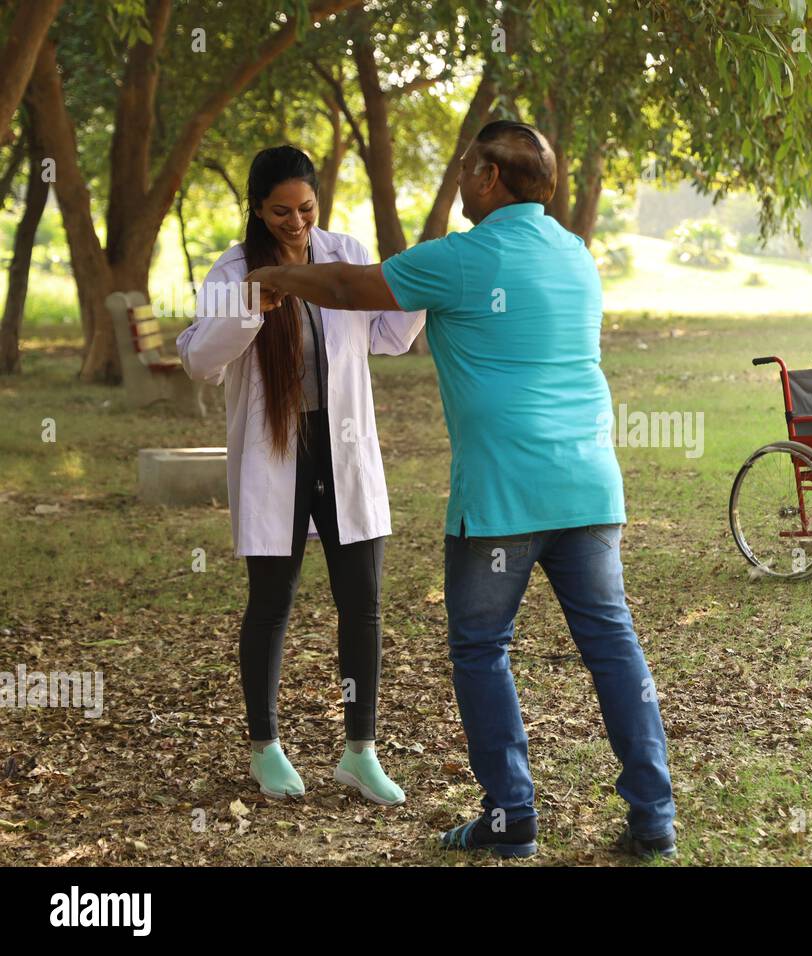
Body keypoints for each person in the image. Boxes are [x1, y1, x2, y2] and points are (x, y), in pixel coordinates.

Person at [246, 121, 677, 859]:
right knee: (612, 642)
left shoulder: (466, 256)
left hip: (504, 496)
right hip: (588, 486)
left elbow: (350, 285)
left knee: (481, 648)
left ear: (488, 179)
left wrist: (276, 277)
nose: (457, 177)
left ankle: (511, 817)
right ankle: (654, 818)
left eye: (465, 166)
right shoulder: (576, 254)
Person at [177, 145, 426, 806]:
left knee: (363, 602)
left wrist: (424, 288)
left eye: (307, 208)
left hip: (342, 448)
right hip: (275, 451)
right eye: (281, 211)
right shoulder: (233, 270)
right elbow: (201, 359)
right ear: (257, 209)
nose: (296, 222)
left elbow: (389, 338)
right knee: (272, 600)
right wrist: (256, 302)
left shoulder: (343, 252)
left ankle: (360, 753)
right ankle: (266, 748)